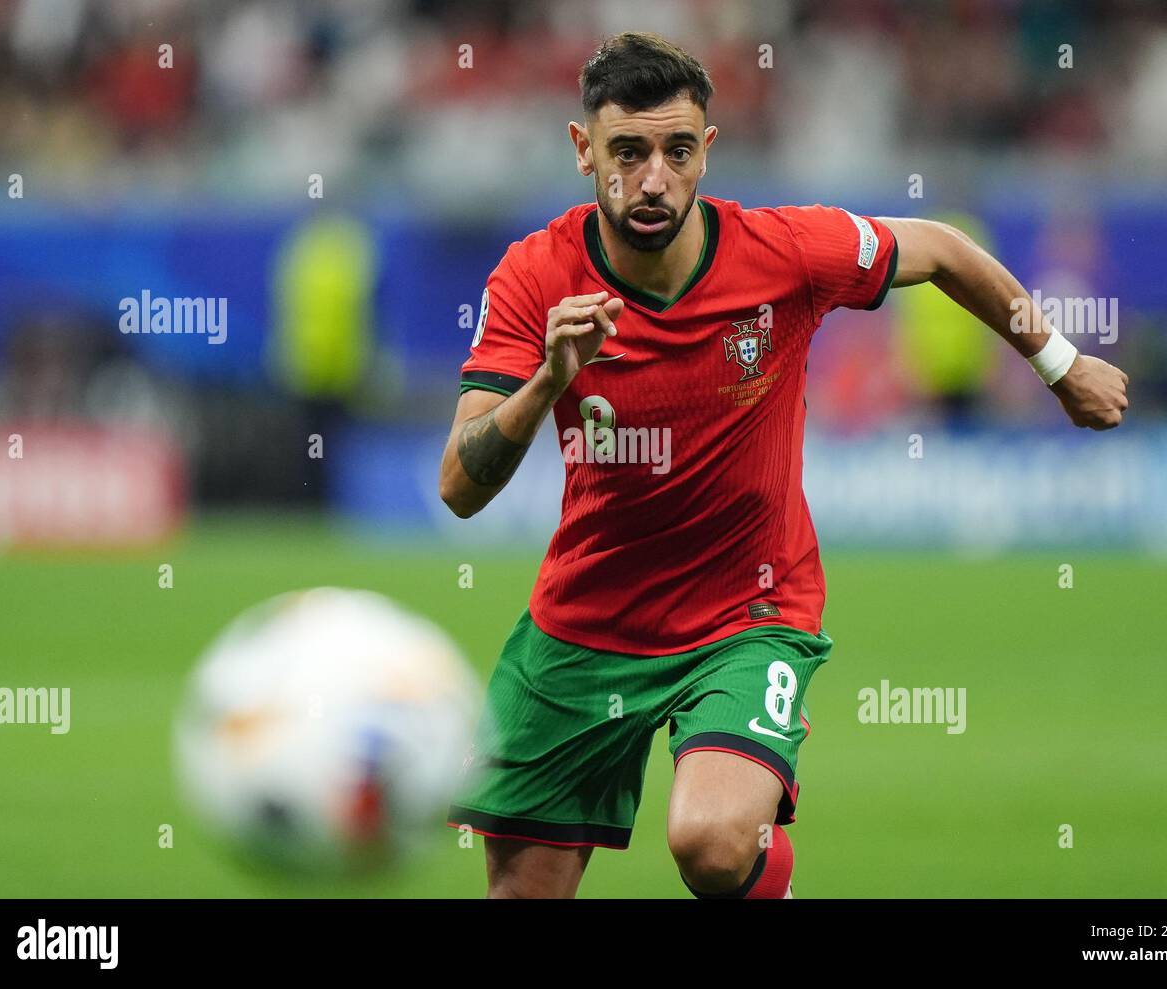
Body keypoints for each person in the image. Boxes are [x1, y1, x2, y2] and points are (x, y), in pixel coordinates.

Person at [438, 32, 1128, 899]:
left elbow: (946, 249)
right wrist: (546, 381)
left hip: (747, 610)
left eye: (677, 151)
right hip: (585, 623)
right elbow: (459, 487)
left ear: (707, 152)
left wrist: (1060, 365)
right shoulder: (535, 277)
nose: (654, 178)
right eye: (628, 151)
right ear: (584, 152)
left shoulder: (786, 254)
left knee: (713, 840)